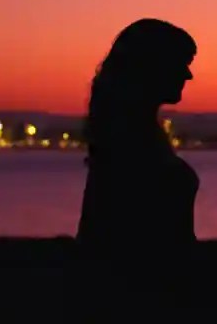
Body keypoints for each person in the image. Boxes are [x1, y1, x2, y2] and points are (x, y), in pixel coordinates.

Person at [76, 19, 199, 266]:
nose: (189, 74)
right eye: (181, 63)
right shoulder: (128, 144)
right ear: (151, 67)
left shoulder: (123, 136)